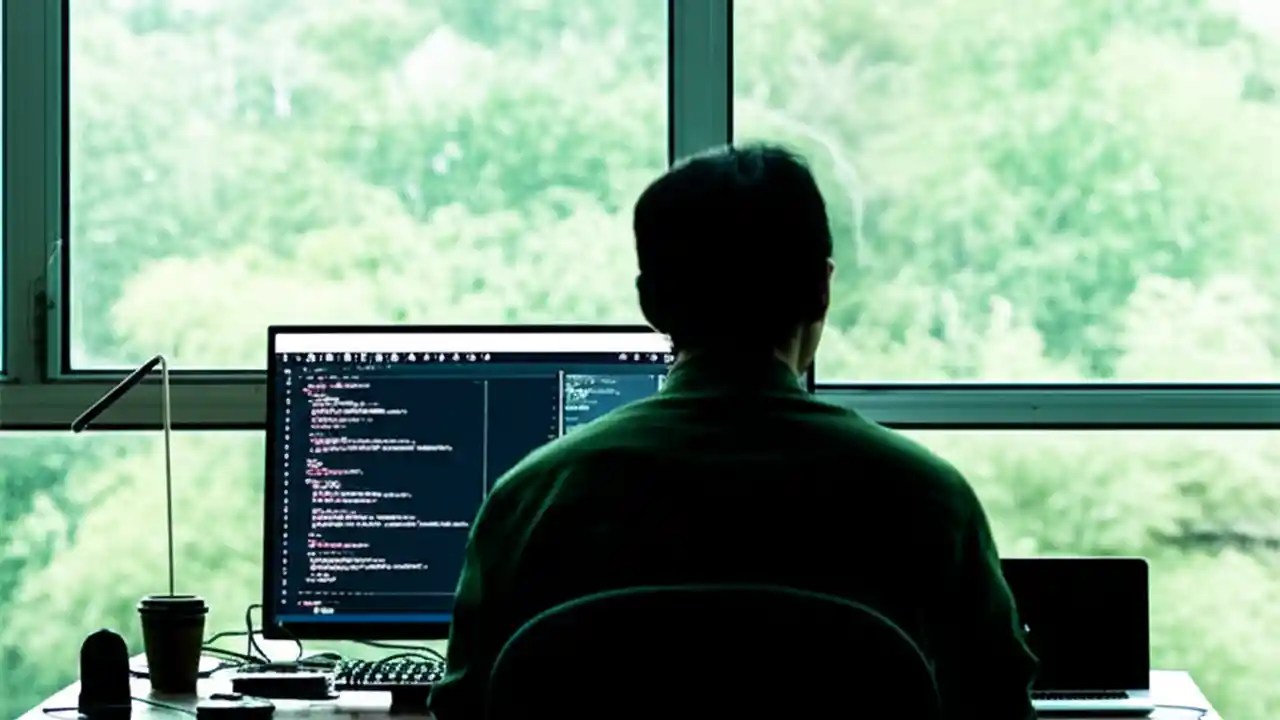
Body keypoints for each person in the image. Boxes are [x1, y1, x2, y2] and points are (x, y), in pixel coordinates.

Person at [428, 143, 1037, 719]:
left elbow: (466, 713)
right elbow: (995, 711)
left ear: (650, 304)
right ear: (822, 288)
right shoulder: (925, 497)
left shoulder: (532, 499)